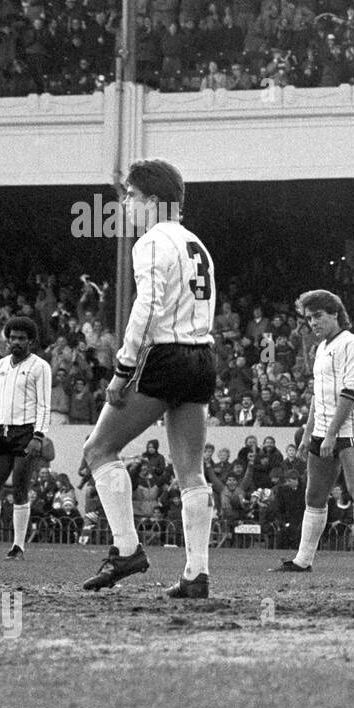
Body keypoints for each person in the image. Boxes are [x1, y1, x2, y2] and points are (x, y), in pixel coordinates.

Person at [80, 158, 219, 598]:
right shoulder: (197, 243)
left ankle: (126, 550)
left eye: (131, 196)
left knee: (99, 449)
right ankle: (197, 573)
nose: (125, 203)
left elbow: (147, 307)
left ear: (154, 201)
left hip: (166, 355)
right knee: (191, 473)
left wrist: (122, 368)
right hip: (202, 356)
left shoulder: (151, 242)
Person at [274, 290, 354, 573]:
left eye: (317, 316)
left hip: (349, 430)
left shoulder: (351, 344)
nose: (313, 323)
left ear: (335, 314)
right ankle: (303, 561)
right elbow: (318, 396)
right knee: (314, 496)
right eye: (309, 318)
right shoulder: (321, 349)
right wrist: (307, 434)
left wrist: (330, 436)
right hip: (321, 432)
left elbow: (349, 392)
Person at [0, 317, 51, 560]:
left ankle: (18, 546)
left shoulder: (40, 367)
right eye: (12, 338)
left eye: (21, 338)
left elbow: (44, 405)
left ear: (31, 341)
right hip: (3, 431)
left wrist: (38, 436)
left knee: (21, 488)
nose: (16, 342)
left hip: (27, 432)